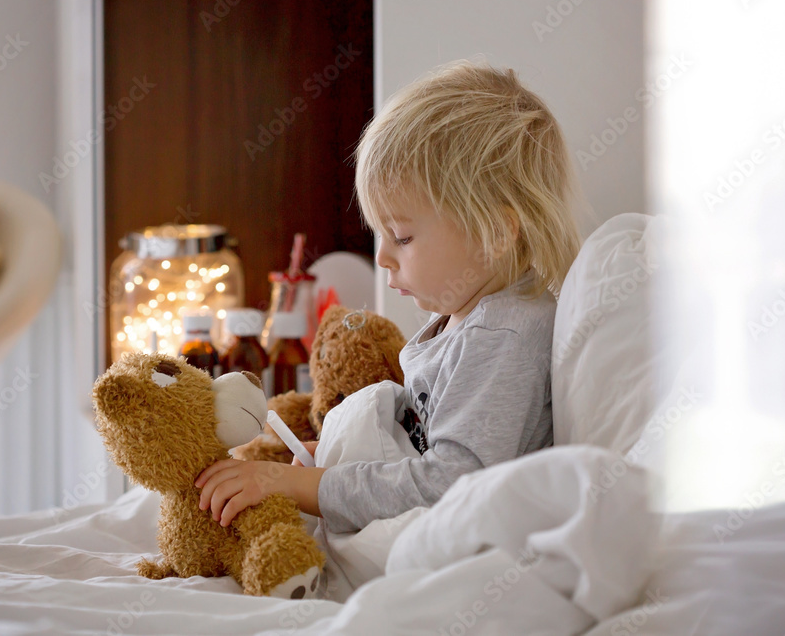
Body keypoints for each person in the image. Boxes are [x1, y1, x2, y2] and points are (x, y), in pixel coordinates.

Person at [195, 59, 585, 533]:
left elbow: (449, 486)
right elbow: (424, 442)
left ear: (494, 233)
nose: (383, 257)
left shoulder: (501, 336)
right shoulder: (469, 316)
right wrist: (338, 462)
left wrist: (301, 486)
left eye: (401, 237)